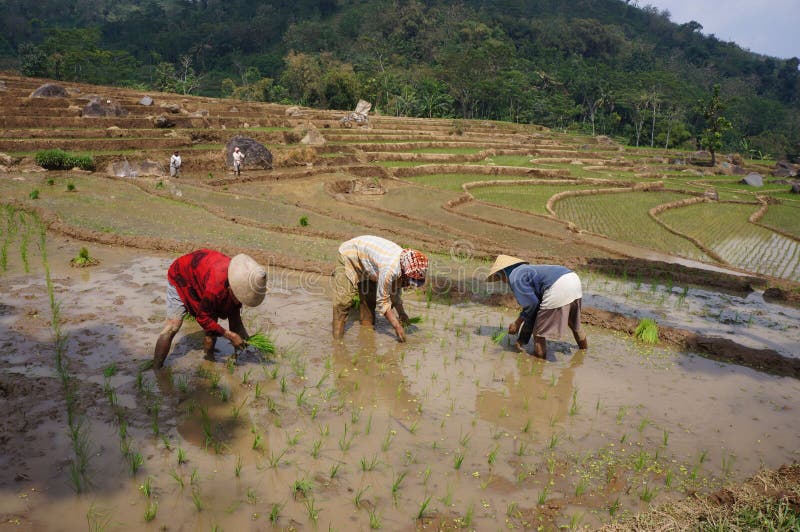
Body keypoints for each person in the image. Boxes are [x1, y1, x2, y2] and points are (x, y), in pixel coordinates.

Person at [153, 249, 267, 369]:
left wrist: (247, 344)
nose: (240, 302)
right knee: (173, 326)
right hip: (181, 276)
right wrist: (231, 336)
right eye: (240, 297)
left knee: (212, 328)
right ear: (230, 289)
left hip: (204, 277)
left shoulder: (239, 279)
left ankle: (209, 360)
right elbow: (203, 318)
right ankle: (156, 369)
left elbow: (236, 322)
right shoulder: (215, 288)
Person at [487, 255, 587, 358]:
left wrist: (517, 323)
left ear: (503, 273)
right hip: (573, 279)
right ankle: (584, 353)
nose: (502, 281)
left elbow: (532, 305)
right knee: (574, 324)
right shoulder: (524, 270)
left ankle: (539, 365)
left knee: (538, 333)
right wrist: (521, 340)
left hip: (557, 287)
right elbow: (533, 311)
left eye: (499, 277)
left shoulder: (515, 278)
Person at [332, 235, 428, 342]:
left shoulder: (403, 264)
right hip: (350, 255)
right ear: (404, 272)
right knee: (342, 304)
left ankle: (367, 343)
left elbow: (394, 291)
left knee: (369, 303)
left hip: (367, 262)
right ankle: (337, 343)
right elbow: (382, 301)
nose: (408, 285)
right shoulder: (390, 269)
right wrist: (397, 326)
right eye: (410, 280)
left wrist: (402, 313)